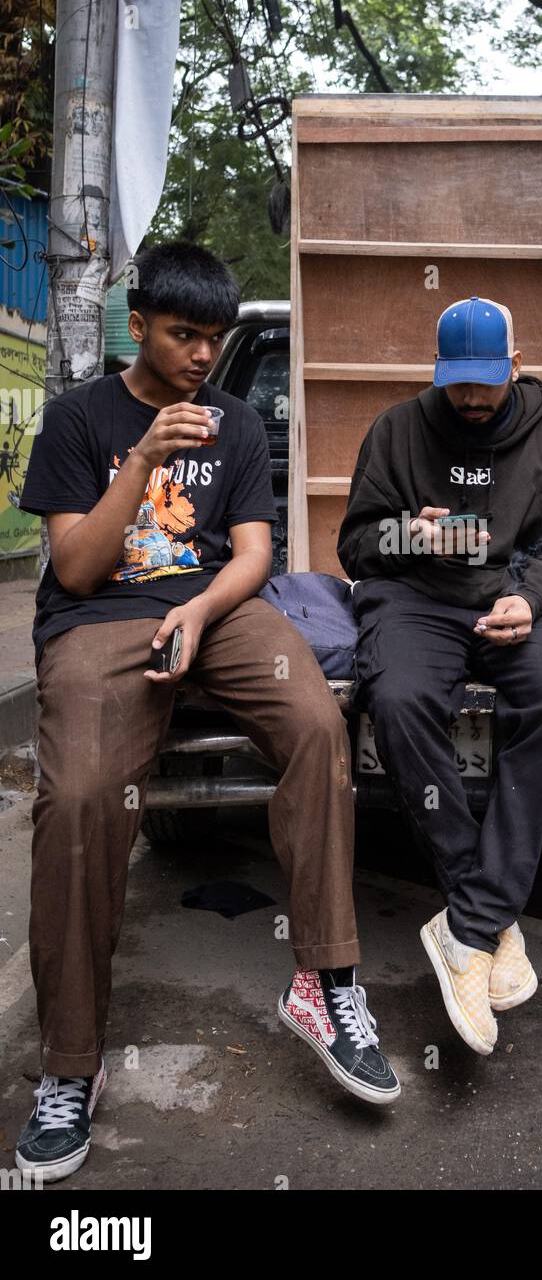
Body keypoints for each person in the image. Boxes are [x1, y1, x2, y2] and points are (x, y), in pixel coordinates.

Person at [15, 242, 399, 1183]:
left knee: (317, 725)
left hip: (213, 611)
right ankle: (71, 1065)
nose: (199, 356)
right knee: (79, 800)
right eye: (184, 335)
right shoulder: (76, 419)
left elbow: (255, 554)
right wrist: (142, 458)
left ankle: (326, 983)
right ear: (137, 323)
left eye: (212, 340)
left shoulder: (230, 421)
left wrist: (198, 608)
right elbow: (74, 569)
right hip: (102, 621)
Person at [338, 296, 542, 1055]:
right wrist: (407, 536)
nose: (474, 398)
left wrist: (532, 597)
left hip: (518, 604)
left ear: (516, 368)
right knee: (397, 693)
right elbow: (355, 543)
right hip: (417, 601)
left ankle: (467, 927)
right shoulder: (397, 428)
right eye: (459, 383)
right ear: (439, 371)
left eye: (488, 381)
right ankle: (484, 911)